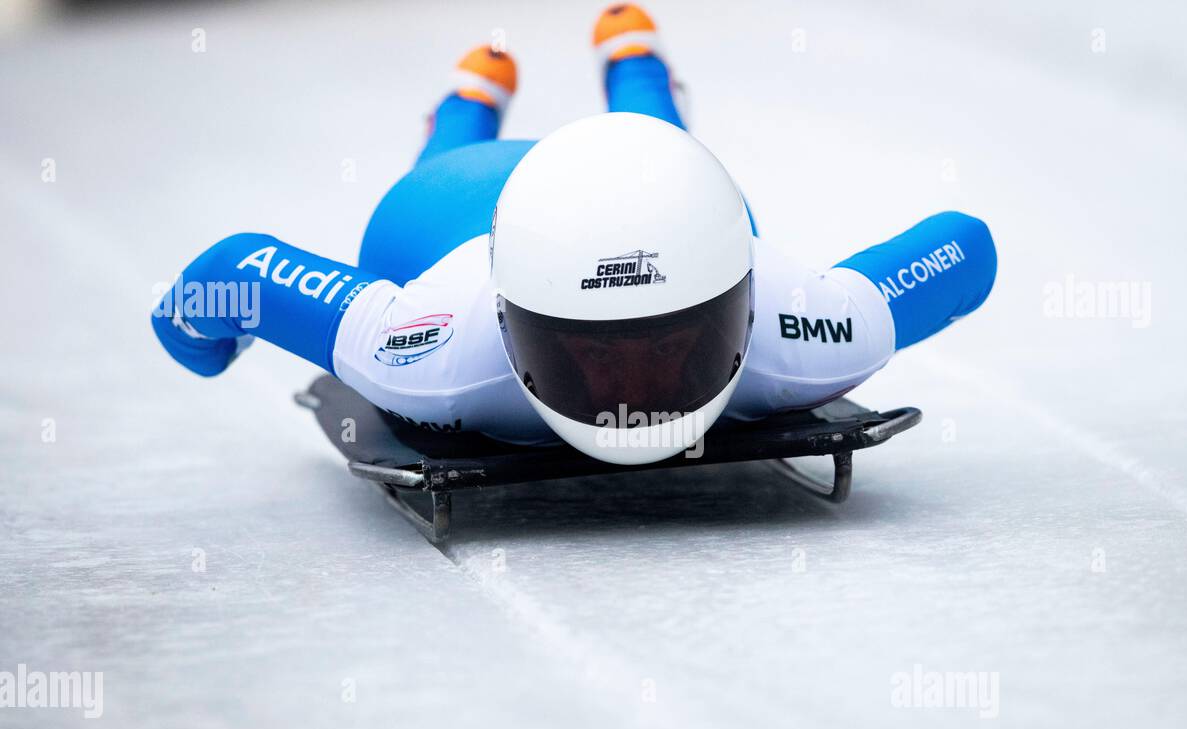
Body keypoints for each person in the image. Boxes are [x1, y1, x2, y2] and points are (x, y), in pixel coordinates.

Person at [152, 4, 996, 465]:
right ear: (507, 317)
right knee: (429, 202)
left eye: (670, 347)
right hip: (462, 212)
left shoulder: (423, 365)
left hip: (473, 220)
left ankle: (504, 88)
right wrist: (193, 321)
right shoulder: (806, 336)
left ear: (739, 305)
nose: (632, 389)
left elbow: (235, 275)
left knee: (680, 168)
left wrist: (193, 334)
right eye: (592, 354)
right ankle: (533, 86)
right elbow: (964, 247)